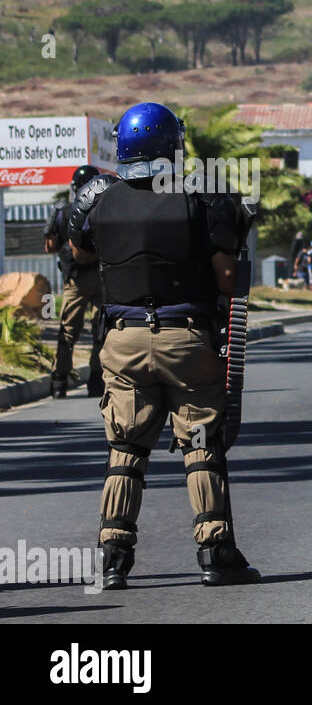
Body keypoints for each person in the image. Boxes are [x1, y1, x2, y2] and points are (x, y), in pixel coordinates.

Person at [68, 102, 260, 588]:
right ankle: (215, 553)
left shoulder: (98, 198)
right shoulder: (203, 197)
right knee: (200, 444)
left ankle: (112, 559)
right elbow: (230, 279)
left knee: (126, 447)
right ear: (174, 145)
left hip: (123, 340)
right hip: (186, 340)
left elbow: (80, 251)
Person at [45, 164, 106, 399]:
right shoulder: (103, 209)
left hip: (76, 281)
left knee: (68, 332)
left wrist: (55, 224)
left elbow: (49, 247)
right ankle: (95, 378)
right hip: (100, 278)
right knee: (101, 330)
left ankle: (59, 380)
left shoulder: (67, 210)